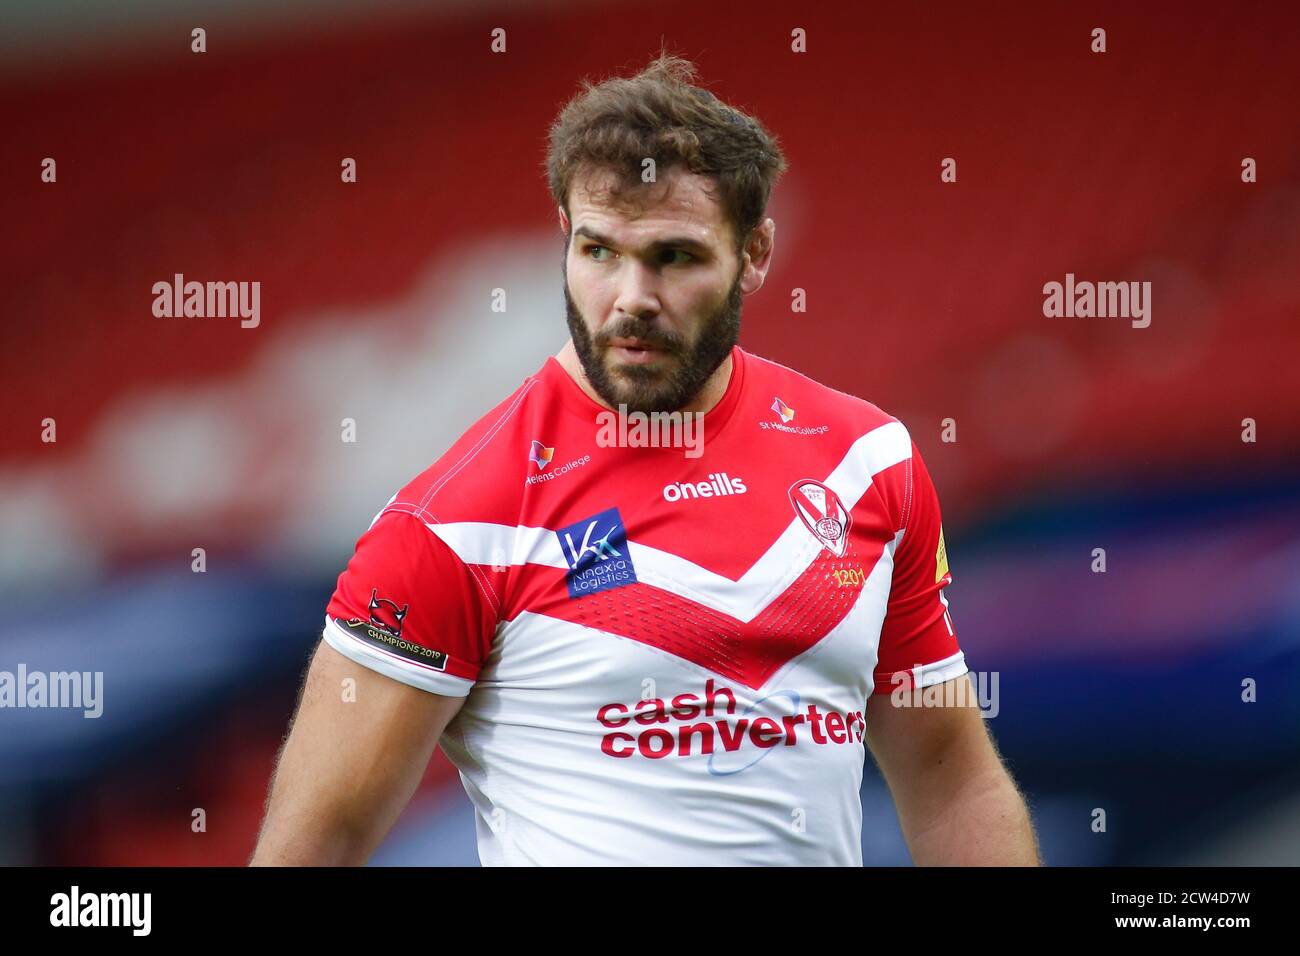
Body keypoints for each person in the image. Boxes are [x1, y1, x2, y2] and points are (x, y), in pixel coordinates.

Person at [251, 52, 1040, 866]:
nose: (631, 297)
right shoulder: (454, 524)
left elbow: (951, 778)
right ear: (564, 235)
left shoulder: (866, 464)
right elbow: (314, 845)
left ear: (756, 253)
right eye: (599, 252)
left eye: (674, 257)